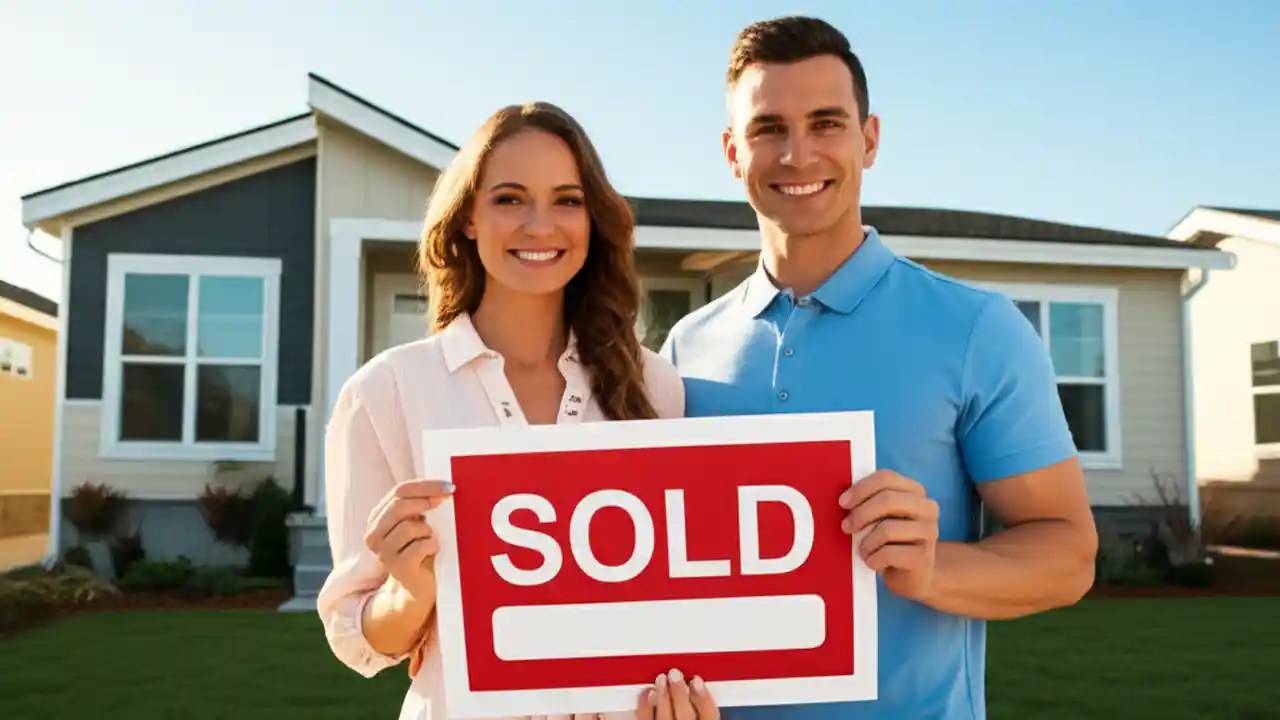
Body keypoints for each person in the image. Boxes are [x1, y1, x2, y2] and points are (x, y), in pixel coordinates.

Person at [659, 16, 1099, 719]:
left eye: (826, 123)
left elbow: (1069, 555)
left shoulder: (976, 330)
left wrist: (933, 569)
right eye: (769, 128)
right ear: (731, 152)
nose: (798, 154)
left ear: (869, 139)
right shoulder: (684, 349)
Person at [317, 101, 720, 720]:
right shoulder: (385, 393)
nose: (540, 225)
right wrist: (411, 589)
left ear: (593, 220)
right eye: (509, 199)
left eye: (566, 199)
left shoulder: (654, 385)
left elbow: (671, 607)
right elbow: (361, 641)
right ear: (470, 219)